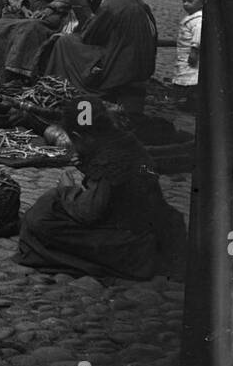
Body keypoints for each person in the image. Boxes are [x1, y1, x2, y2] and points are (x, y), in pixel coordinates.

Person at [18, 97, 186, 281]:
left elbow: (88, 212)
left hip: (132, 239)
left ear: (80, 137)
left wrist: (66, 190)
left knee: (40, 220)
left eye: (74, 141)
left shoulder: (110, 160)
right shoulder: (122, 141)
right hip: (141, 221)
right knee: (46, 207)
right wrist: (89, 166)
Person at [43, 0, 157, 115]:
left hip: (121, 67)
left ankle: (64, 88)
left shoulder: (110, 5)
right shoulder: (139, 2)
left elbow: (90, 36)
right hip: (143, 65)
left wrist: (87, 20)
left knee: (65, 42)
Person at [172, 0, 203, 111]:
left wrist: (194, 51)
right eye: (183, 1)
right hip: (184, 54)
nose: (185, 4)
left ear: (202, 2)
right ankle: (187, 101)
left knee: (191, 78)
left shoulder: (198, 20)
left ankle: (189, 102)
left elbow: (198, 36)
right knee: (185, 74)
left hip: (192, 56)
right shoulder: (191, 18)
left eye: (190, 1)